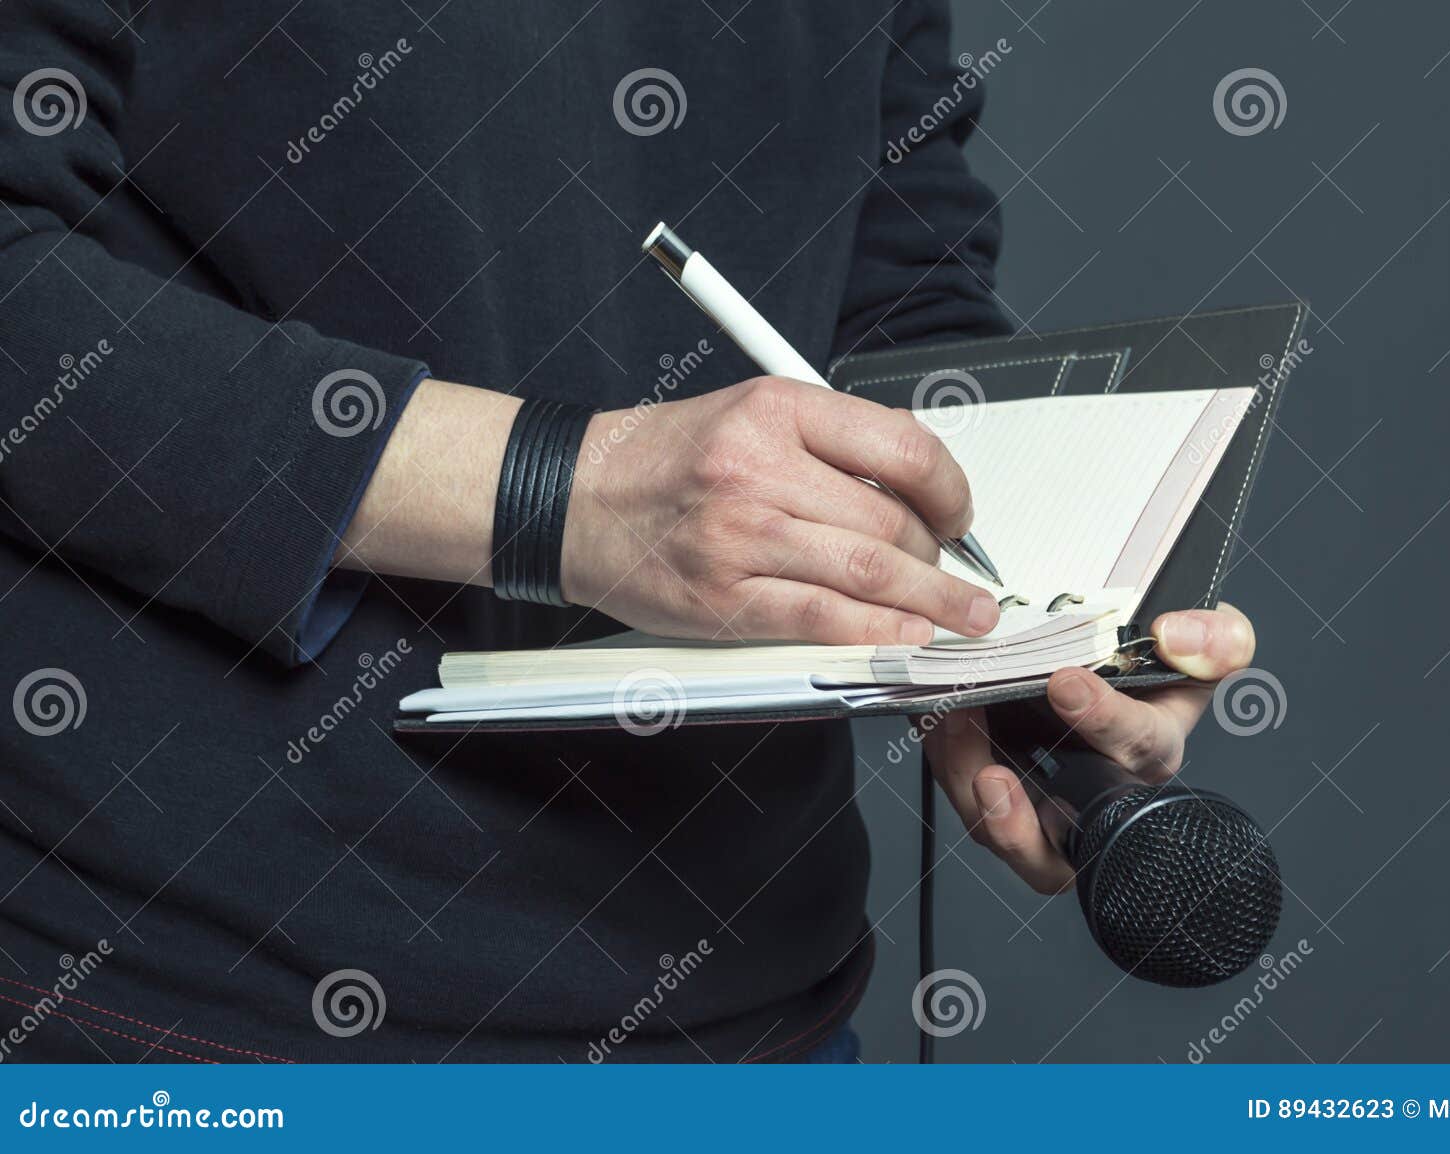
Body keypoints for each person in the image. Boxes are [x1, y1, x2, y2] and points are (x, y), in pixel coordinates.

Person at [0, 1, 1256, 1063]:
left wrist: (1024, 641)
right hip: (187, 1003)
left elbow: (896, 260)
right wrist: (561, 492)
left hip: (762, 999)